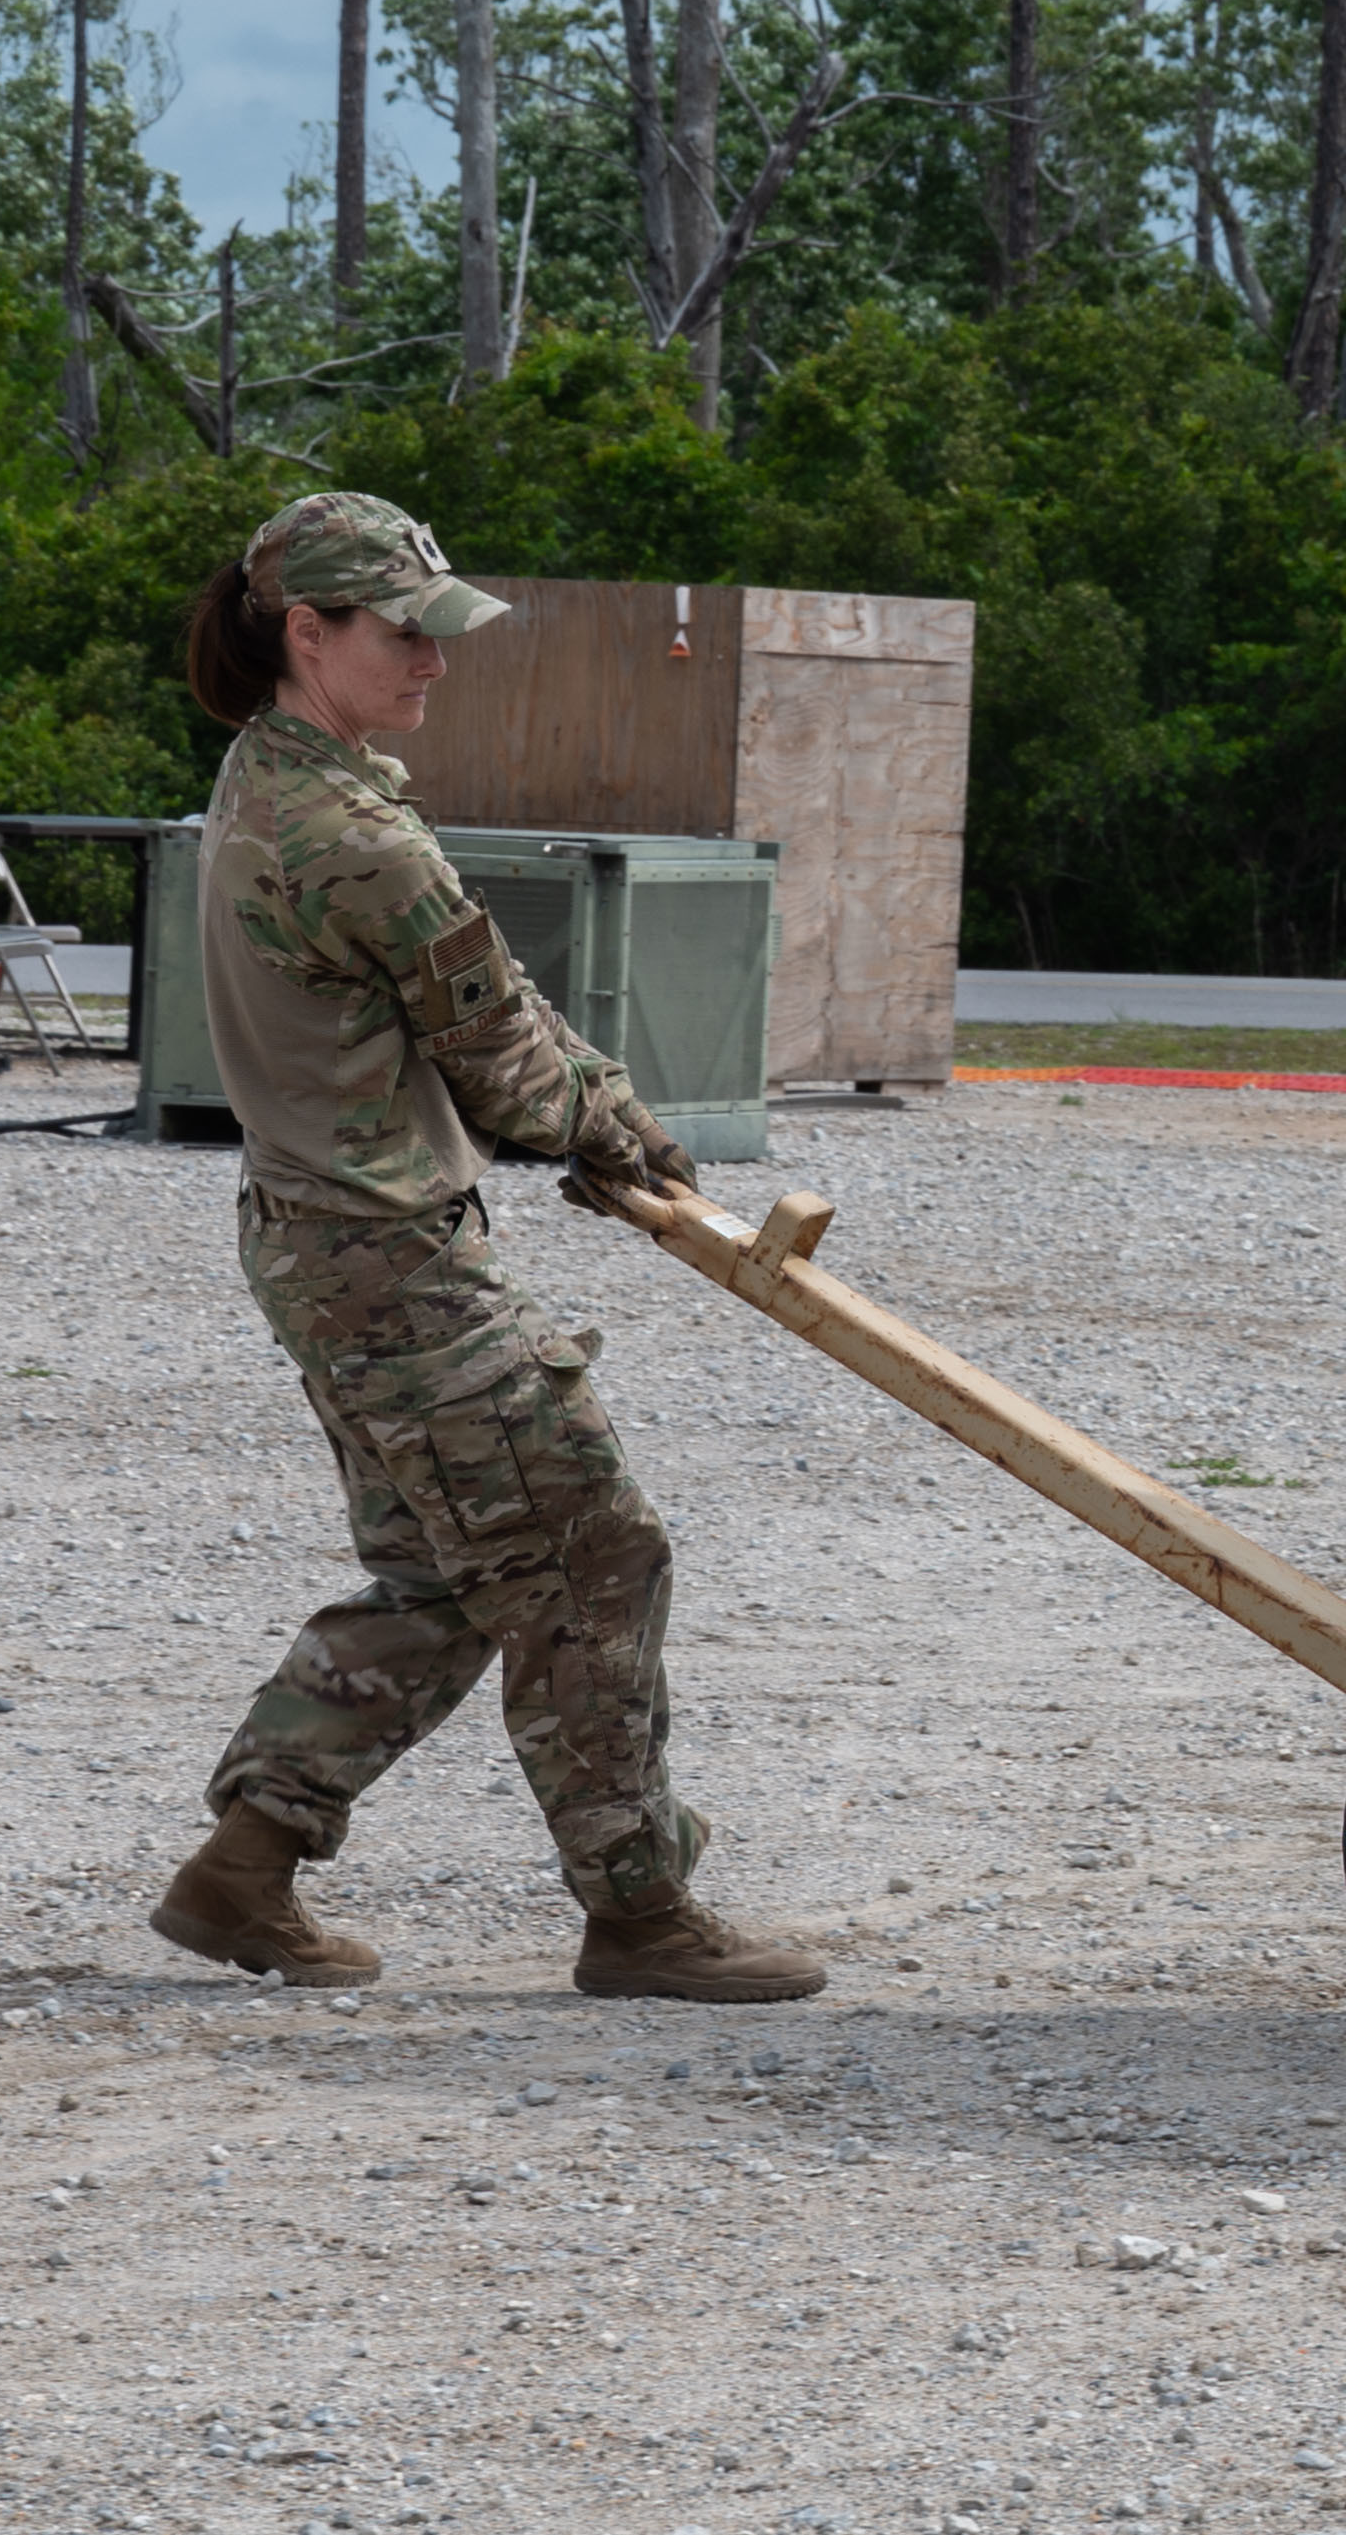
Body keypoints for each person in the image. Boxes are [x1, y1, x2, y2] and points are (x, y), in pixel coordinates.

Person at [148, 490, 822, 2005]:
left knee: (448, 1574)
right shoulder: (346, 832)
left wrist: (583, 1118)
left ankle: (245, 1866)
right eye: (406, 635)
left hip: (327, 1244)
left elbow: (484, 1035)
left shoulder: (272, 778)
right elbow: (504, 1053)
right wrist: (618, 1124)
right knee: (596, 1552)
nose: (435, 663)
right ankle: (640, 1911)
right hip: (396, 1267)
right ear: (305, 634)